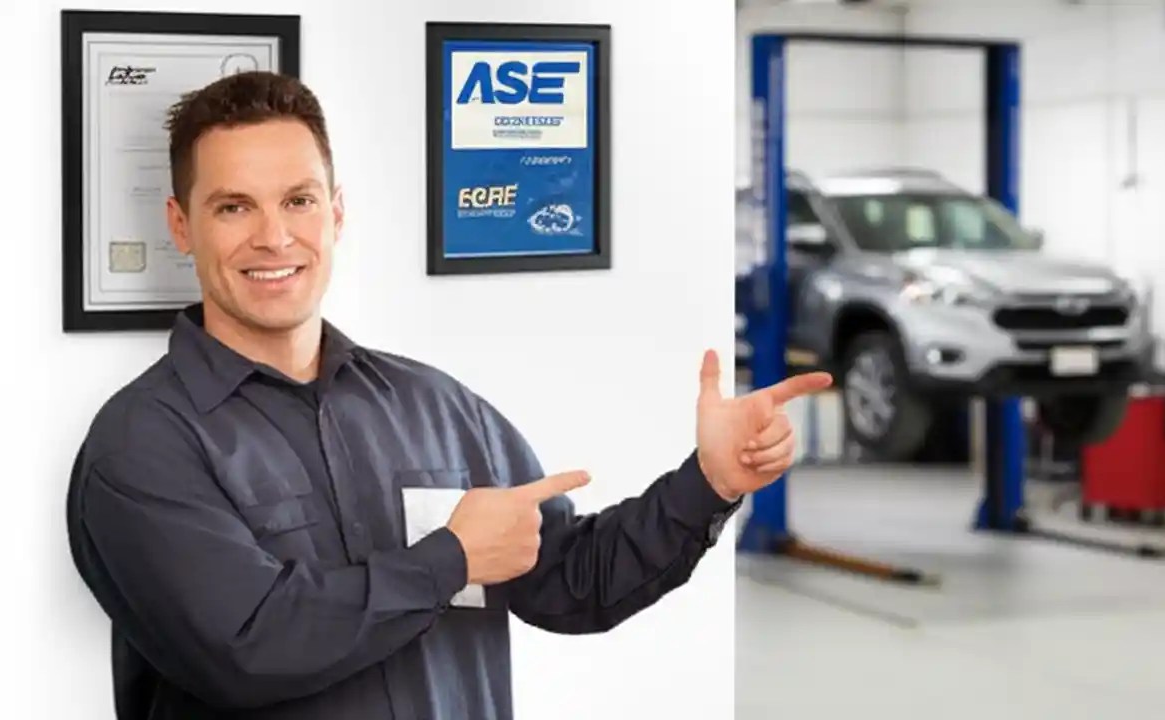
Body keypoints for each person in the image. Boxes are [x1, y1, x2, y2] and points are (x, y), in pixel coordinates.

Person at [65, 70, 832, 720]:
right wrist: (450, 560)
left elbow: (571, 582)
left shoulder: (435, 409)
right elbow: (247, 646)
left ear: (336, 212)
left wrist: (711, 482)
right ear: (181, 226)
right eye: (234, 207)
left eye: (298, 200)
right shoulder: (143, 445)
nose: (274, 236)